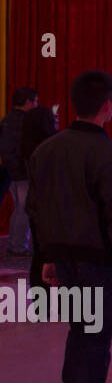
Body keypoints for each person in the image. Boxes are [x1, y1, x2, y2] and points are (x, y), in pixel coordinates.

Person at [26, 70, 112, 383]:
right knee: (95, 339)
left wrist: (46, 258)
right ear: (108, 106)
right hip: (98, 262)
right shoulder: (107, 154)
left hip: (64, 259)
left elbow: (37, 211)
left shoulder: (46, 150)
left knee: (80, 332)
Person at [18, 105, 58, 291]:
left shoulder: (27, 145)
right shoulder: (50, 147)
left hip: (36, 205)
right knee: (53, 255)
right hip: (51, 205)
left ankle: (40, 302)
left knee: (39, 254)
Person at [1, 86, 39, 257]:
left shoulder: (7, 120)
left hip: (11, 171)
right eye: (36, 101)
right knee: (24, 209)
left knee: (19, 208)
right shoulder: (27, 122)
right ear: (28, 102)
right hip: (23, 172)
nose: (37, 104)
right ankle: (18, 245)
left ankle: (16, 243)